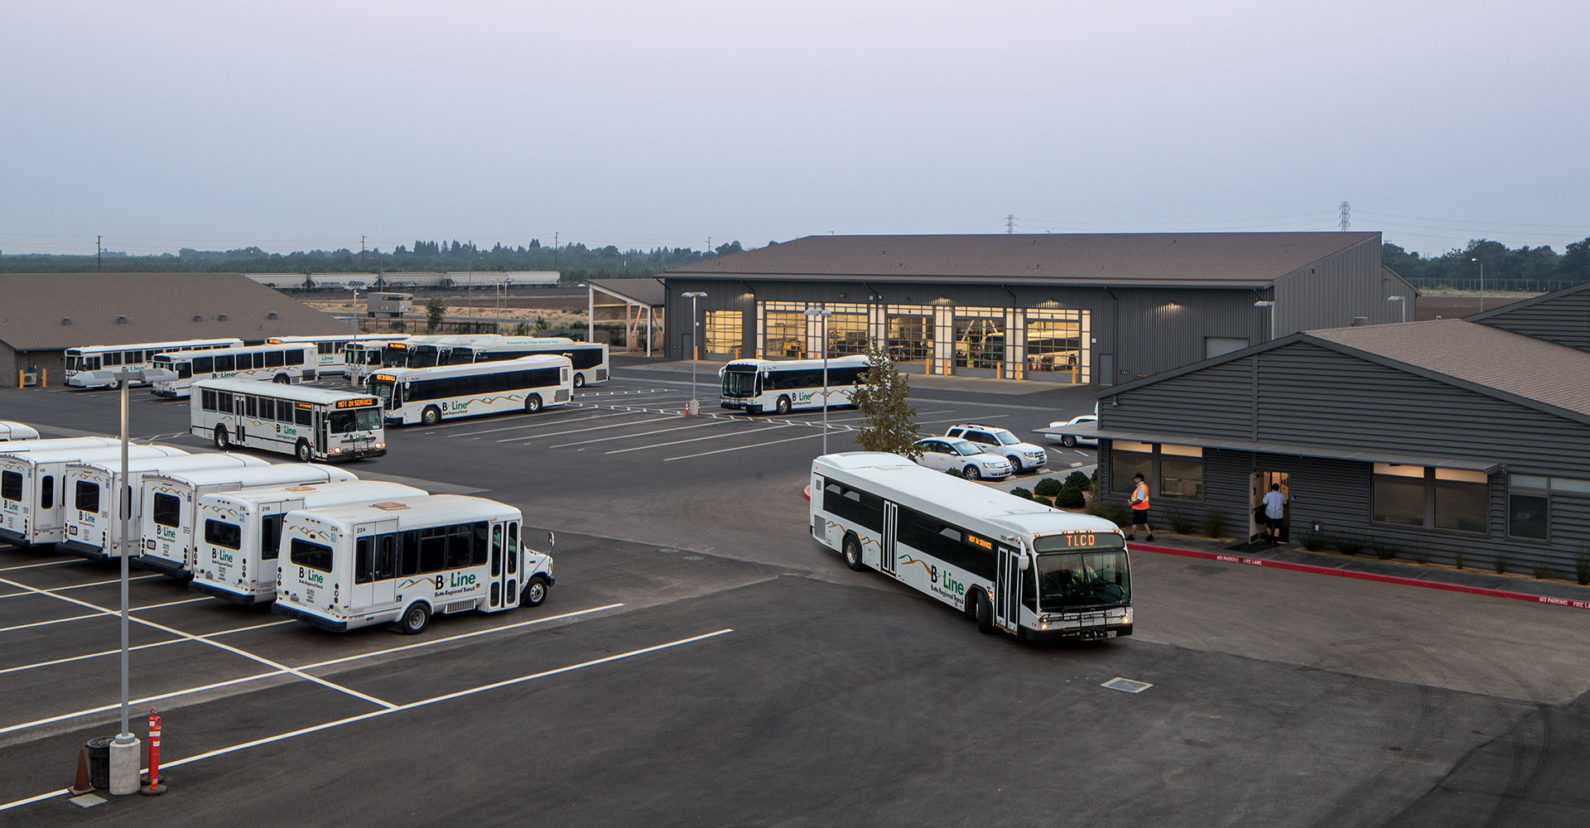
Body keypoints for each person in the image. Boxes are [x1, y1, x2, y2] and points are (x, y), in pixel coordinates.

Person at [1126, 472, 1152, 542]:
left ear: (1139, 479)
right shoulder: (1144, 486)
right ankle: (1150, 535)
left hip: (1139, 508)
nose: (1134, 480)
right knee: (1144, 521)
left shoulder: (1141, 488)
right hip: (1144, 507)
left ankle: (1132, 536)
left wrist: (1132, 503)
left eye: (1136, 478)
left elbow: (1140, 499)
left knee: (1135, 522)